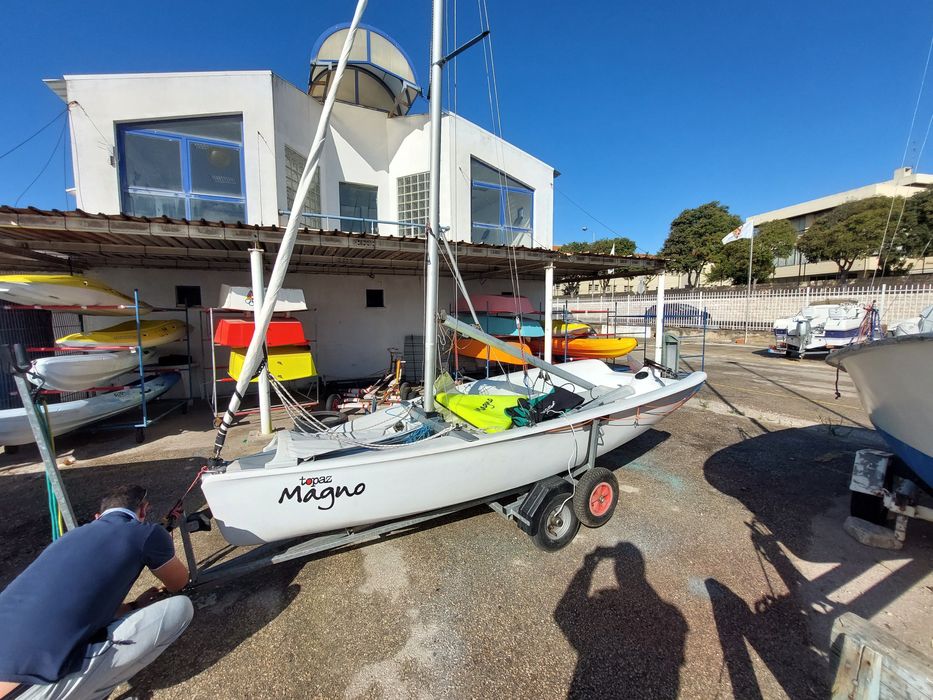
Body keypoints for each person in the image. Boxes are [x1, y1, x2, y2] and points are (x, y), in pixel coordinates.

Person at [0, 485, 193, 700]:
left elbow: (77, 605)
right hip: (29, 689)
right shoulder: (146, 532)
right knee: (181, 608)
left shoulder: (67, 540)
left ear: (98, 516)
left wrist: (133, 607)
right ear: (143, 510)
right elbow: (179, 582)